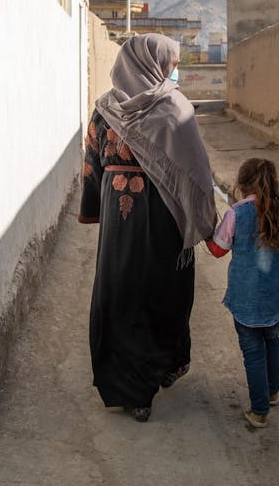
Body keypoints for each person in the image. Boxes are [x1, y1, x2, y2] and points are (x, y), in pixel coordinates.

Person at [79, 34, 218, 422]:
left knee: (120, 290)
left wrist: (94, 208)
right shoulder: (174, 107)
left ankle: (129, 388)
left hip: (119, 223)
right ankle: (162, 367)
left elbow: (92, 164)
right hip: (163, 221)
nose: (172, 70)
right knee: (162, 291)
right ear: (155, 64)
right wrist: (205, 221)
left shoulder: (104, 110)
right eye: (170, 63)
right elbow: (196, 173)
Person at [205, 157, 279, 429]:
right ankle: (272, 392)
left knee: (253, 351)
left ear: (241, 185)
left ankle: (259, 411)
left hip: (245, 300)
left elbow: (218, 250)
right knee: (272, 340)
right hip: (274, 299)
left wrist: (208, 231)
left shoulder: (235, 214)